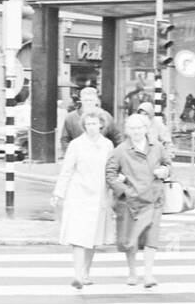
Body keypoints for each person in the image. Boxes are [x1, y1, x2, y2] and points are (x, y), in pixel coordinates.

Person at [106, 113, 174, 288]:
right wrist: (126, 191)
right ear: (127, 131)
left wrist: (164, 171)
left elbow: (168, 164)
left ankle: (149, 274)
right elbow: (110, 175)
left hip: (154, 199)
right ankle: (132, 272)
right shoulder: (120, 150)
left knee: (152, 237)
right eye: (132, 128)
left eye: (139, 128)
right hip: (132, 202)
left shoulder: (157, 147)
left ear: (146, 129)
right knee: (131, 238)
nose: (136, 132)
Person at [51, 107, 116, 289]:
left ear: (101, 124)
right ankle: (78, 275)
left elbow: (111, 170)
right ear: (84, 126)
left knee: (93, 238)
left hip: (99, 196)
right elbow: (67, 170)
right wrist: (59, 193)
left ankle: (86, 272)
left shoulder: (107, 145)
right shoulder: (76, 145)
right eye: (88, 124)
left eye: (94, 123)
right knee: (79, 236)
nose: (91, 127)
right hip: (79, 195)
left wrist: (113, 191)